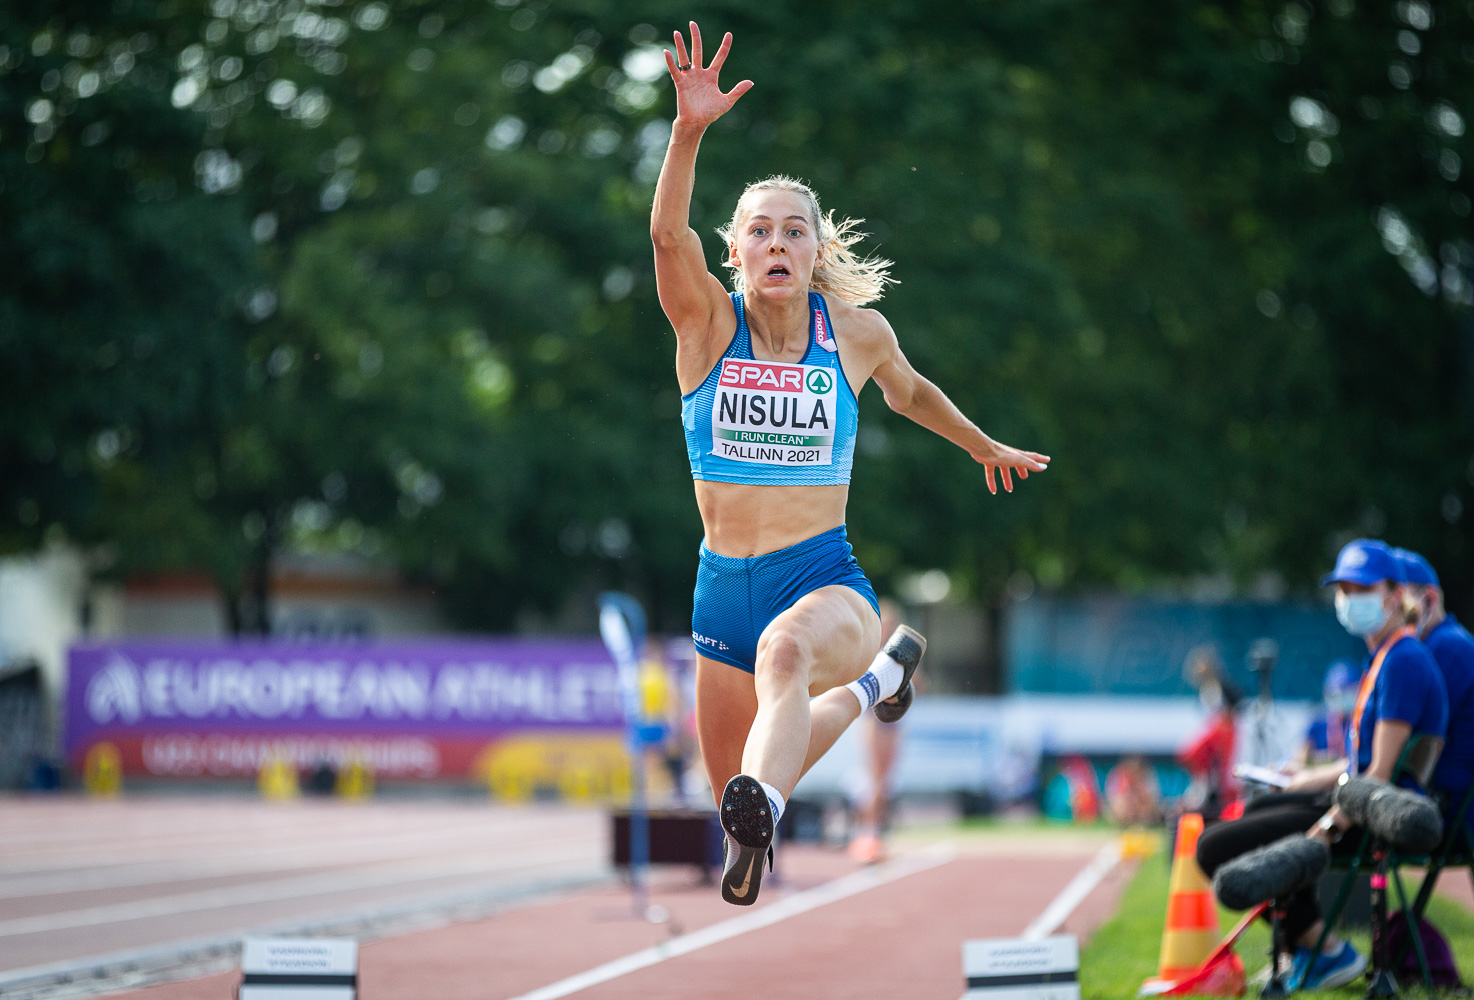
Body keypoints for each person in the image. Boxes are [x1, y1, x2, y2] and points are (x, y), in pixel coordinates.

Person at [651, 22, 1050, 906]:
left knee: (786, 654)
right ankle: (877, 685)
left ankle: (854, 684)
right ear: (738, 253)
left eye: (796, 231)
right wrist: (687, 133)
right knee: (738, 797)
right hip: (722, 582)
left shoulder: (855, 334)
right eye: (761, 231)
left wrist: (982, 445)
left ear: (818, 253)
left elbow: (910, 393)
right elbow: (666, 239)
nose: (779, 243)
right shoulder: (706, 329)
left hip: (822, 574)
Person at [1196, 539, 1448, 991]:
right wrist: (1298, 780)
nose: (1349, 600)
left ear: (1394, 595)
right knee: (1253, 814)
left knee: (1213, 846)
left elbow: (1379, 778)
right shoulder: (1386, 655)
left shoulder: (1405, 659)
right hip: (1360, 799)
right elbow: (1360, 761)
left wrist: (1326, 828)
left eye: (1361, 589)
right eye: (1343, 590)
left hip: (1375, 818)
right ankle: (1315, 948)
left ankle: (1325, 948)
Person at [1396, 547, 1474, 826]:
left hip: (1448, 807)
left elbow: (1405, 739)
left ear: (1428, 598)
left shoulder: (1448, 648)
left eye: (1398, 601)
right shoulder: (1432, 645)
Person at [848, 598, 907, 864]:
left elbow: (920, 685)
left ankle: (875, 836)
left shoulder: (899, 657)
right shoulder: (868, 652)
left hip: (894, 722)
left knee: (885, 782)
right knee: (872, 778)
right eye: (884, 625)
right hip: (873, 720)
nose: (887, 630)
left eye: (891, 626)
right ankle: (865, 835)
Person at [1295, 661, 1357, 769]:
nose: (1341, 697)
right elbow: (1300, 757)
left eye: (1347, 691)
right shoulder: (1319, 724)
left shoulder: (1359, 723)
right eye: (1335, 694)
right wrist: (1332, 759)